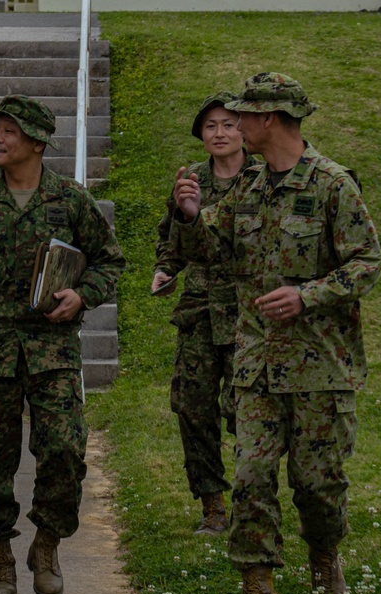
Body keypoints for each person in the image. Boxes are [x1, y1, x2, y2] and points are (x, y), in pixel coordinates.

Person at [170, 72, 381, 594]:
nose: (233, 123)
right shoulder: (248, 186)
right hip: (257, 365)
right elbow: (208, 246)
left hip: (319, 368)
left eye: (242, 114)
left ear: (270, 119)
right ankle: (257, 586)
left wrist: (307, 295)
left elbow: (366, 263)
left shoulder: (333, 185)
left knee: (317, 485)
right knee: (251, 476)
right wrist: (189, 214)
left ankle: (323, 555)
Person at [0, 95, 124, 594]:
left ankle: (48, 543)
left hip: (51, 349)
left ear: (37, 142)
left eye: (10, 131)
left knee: (63, 450)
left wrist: (83, 294)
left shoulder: (68, 200)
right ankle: (0, 561)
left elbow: (109, 261)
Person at [152, 91, 261, 535]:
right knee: (193, 409)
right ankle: (213, 505)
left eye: (229, 124)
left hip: (248, 314)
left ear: (245, 132)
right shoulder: (190, 180)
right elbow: (169, 237)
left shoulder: (263, 178)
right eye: (210, 126)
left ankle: (253, 500)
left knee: (247, 413)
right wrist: (164, 270)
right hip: (199, 312)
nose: (219, 133)